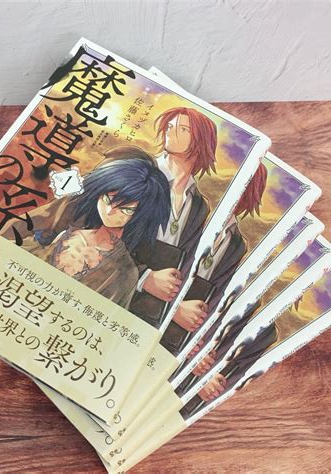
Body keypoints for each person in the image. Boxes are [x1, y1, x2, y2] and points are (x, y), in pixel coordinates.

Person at [18, 155, 171, 309]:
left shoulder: (124, 271)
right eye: (107, 200)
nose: (110, 211)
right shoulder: (69, 231)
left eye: (126, 209)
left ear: (141, 216)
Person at [161, 162, 268, 355]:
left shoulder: (237, 245)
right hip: (154, 307)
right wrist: (173, 309)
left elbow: (220, 300)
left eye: (246, 186)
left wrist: (198, 342)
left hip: (183, 335)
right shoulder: (192, 208)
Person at [132, 106, 217, 331]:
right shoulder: (140, 173)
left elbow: (183, 264)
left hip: (150, 314)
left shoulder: (198, 205)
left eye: (183, 129)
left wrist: (176, 306)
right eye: (169, 126)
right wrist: (144, 277)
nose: (170, 131)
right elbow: (100, 232)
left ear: (201, 141)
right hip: (113, 290)